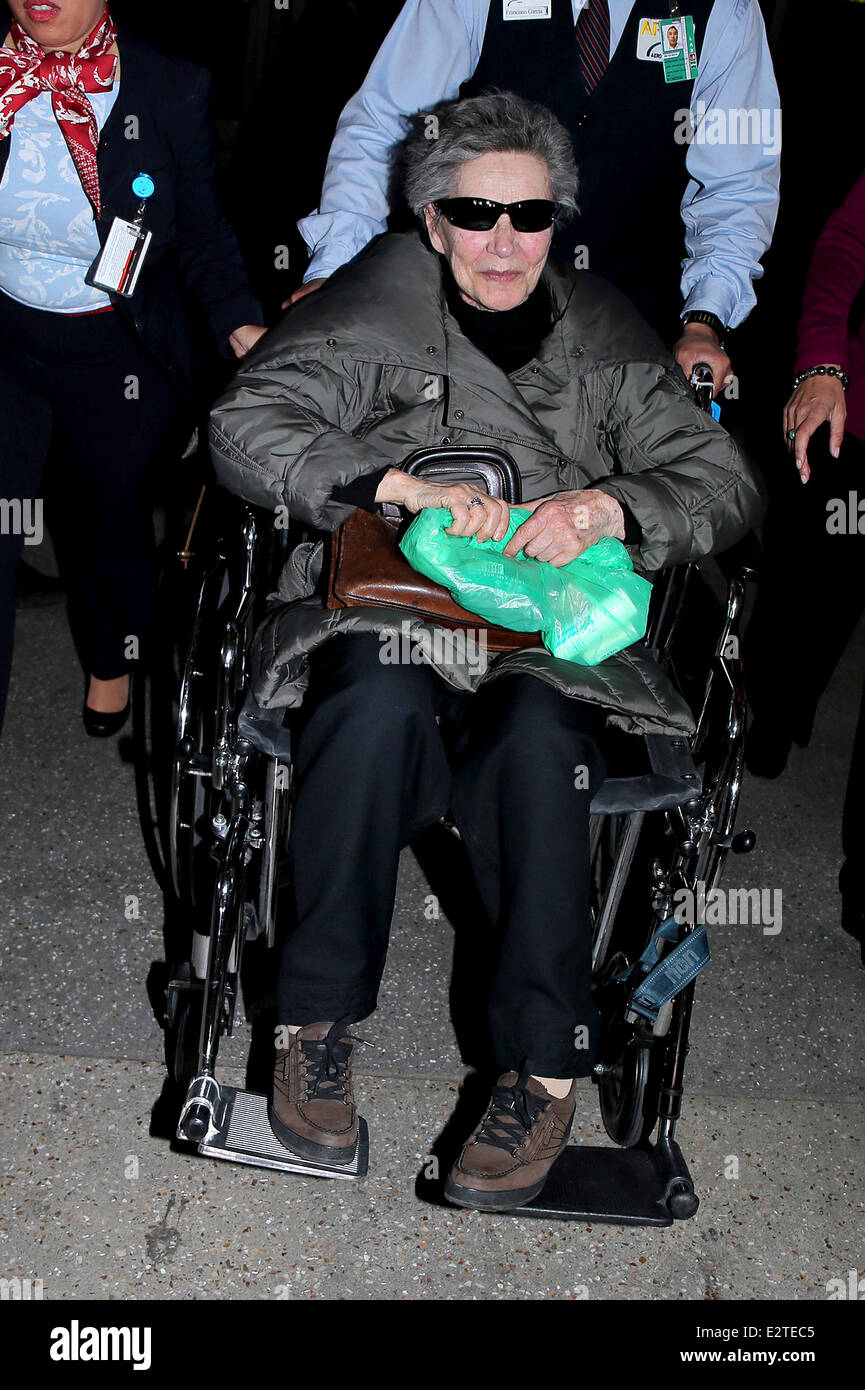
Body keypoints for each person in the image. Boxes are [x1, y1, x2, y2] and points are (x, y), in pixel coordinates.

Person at [210, 93, 763, 1211]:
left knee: (538, 739)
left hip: (542, 643)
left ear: (559, 217)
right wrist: (391, 481)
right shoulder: (373, 305)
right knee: (368, 699)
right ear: (430, 219)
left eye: (530, 214)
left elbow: (724, 482)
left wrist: (609, 506)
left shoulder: (603, 329)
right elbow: (244, 419)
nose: (504, 242)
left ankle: (547, 1064)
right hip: (389, 618)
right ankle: (313, 1024)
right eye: (475, 213)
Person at [0, 0, 266, 737]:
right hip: (7, 347)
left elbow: (203, 235)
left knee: (100, 520)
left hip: (117, 350)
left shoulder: (166, 88)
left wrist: (239, 321)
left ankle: (110, 657)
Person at [290, 0, 780, 396]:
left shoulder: (725, 10)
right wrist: (337, 272)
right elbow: (384, 125)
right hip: (461, 321)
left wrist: (704, 320)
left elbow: (737, 187)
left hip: (631, 332)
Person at [745, 165, 865, 958]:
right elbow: (846, 242)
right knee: (810, 599)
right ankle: (773, 707)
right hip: (857, 429)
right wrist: (822, 363)